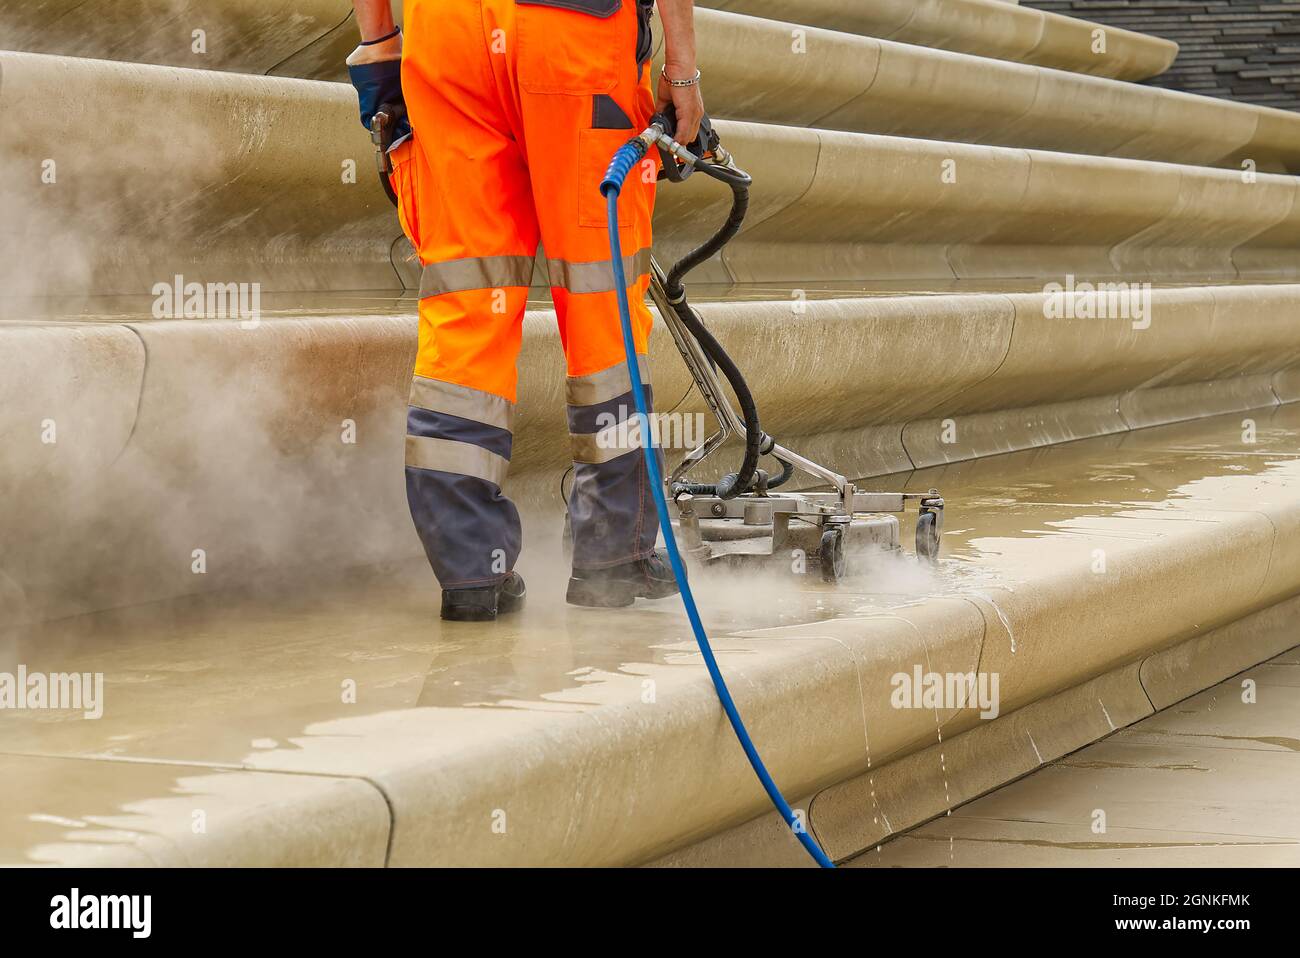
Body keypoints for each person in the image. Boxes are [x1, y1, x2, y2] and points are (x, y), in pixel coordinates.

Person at [347, 0, 704, 621]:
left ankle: (469, 568)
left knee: (466, 300)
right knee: (600, 299)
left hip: (447, 36)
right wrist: (681, 75)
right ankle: (612, 556)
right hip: (571, 36)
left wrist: (380, 47)